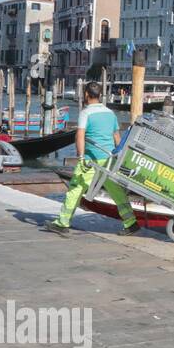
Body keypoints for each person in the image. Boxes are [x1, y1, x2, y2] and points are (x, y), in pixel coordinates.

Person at [46, 81, 139, 237]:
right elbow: (117, 137)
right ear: (100, 95)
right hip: (109, 159)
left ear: (86, 95)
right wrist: (119, 157)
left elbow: (80, 135)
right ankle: (131, 222)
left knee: (76, 188)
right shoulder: (110, 113)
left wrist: (81, 156)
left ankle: (62, 223)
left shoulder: (86, 113)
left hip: (90, 160)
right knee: (116, 191)